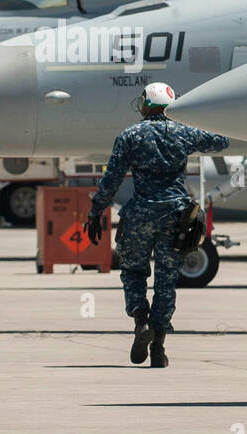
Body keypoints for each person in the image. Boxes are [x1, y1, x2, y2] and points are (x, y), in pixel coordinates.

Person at [83, 82, 228, 368]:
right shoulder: (183, 132)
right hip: (176, 216)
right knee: (166, 281)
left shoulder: (130, 135)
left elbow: (111, 179)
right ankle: (159, 347)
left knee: (134, 271)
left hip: (139, 215)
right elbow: (222, 141)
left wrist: (95, 212)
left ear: (147, 104)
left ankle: (140, 322)